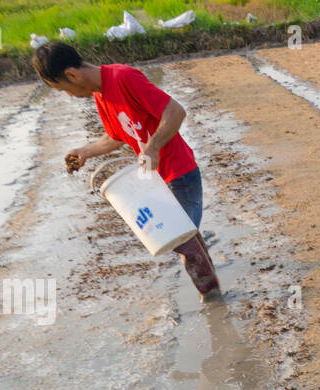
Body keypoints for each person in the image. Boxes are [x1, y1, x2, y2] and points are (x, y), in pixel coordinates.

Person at [31, 41, 220, 298]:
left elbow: (175, 111)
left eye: (64, 89)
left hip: (179, 171)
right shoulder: (100, 95)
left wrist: (152, 148)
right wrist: (85, 151)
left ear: (72, 75)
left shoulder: (123, 78)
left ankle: (213, 301)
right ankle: (213, 289)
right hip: (154, 180)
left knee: (180, 239)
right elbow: (115, 137)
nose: (69, 95)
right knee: (186, 235)